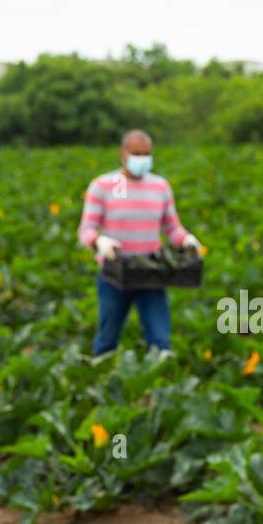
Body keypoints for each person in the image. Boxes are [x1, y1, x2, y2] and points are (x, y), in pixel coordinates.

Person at [77, 129, 202, 355]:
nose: (142, 159)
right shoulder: (103, 185)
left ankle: (161, 385)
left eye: (146, 154)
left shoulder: (160, 186)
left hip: (151, 274)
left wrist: (186, 239)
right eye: (137, 153)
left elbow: (172, 228)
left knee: (160, 339)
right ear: (122, 153)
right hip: (115, 274)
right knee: (107, 340)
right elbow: (85, 230)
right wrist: (99, 242)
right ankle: (100, 382)